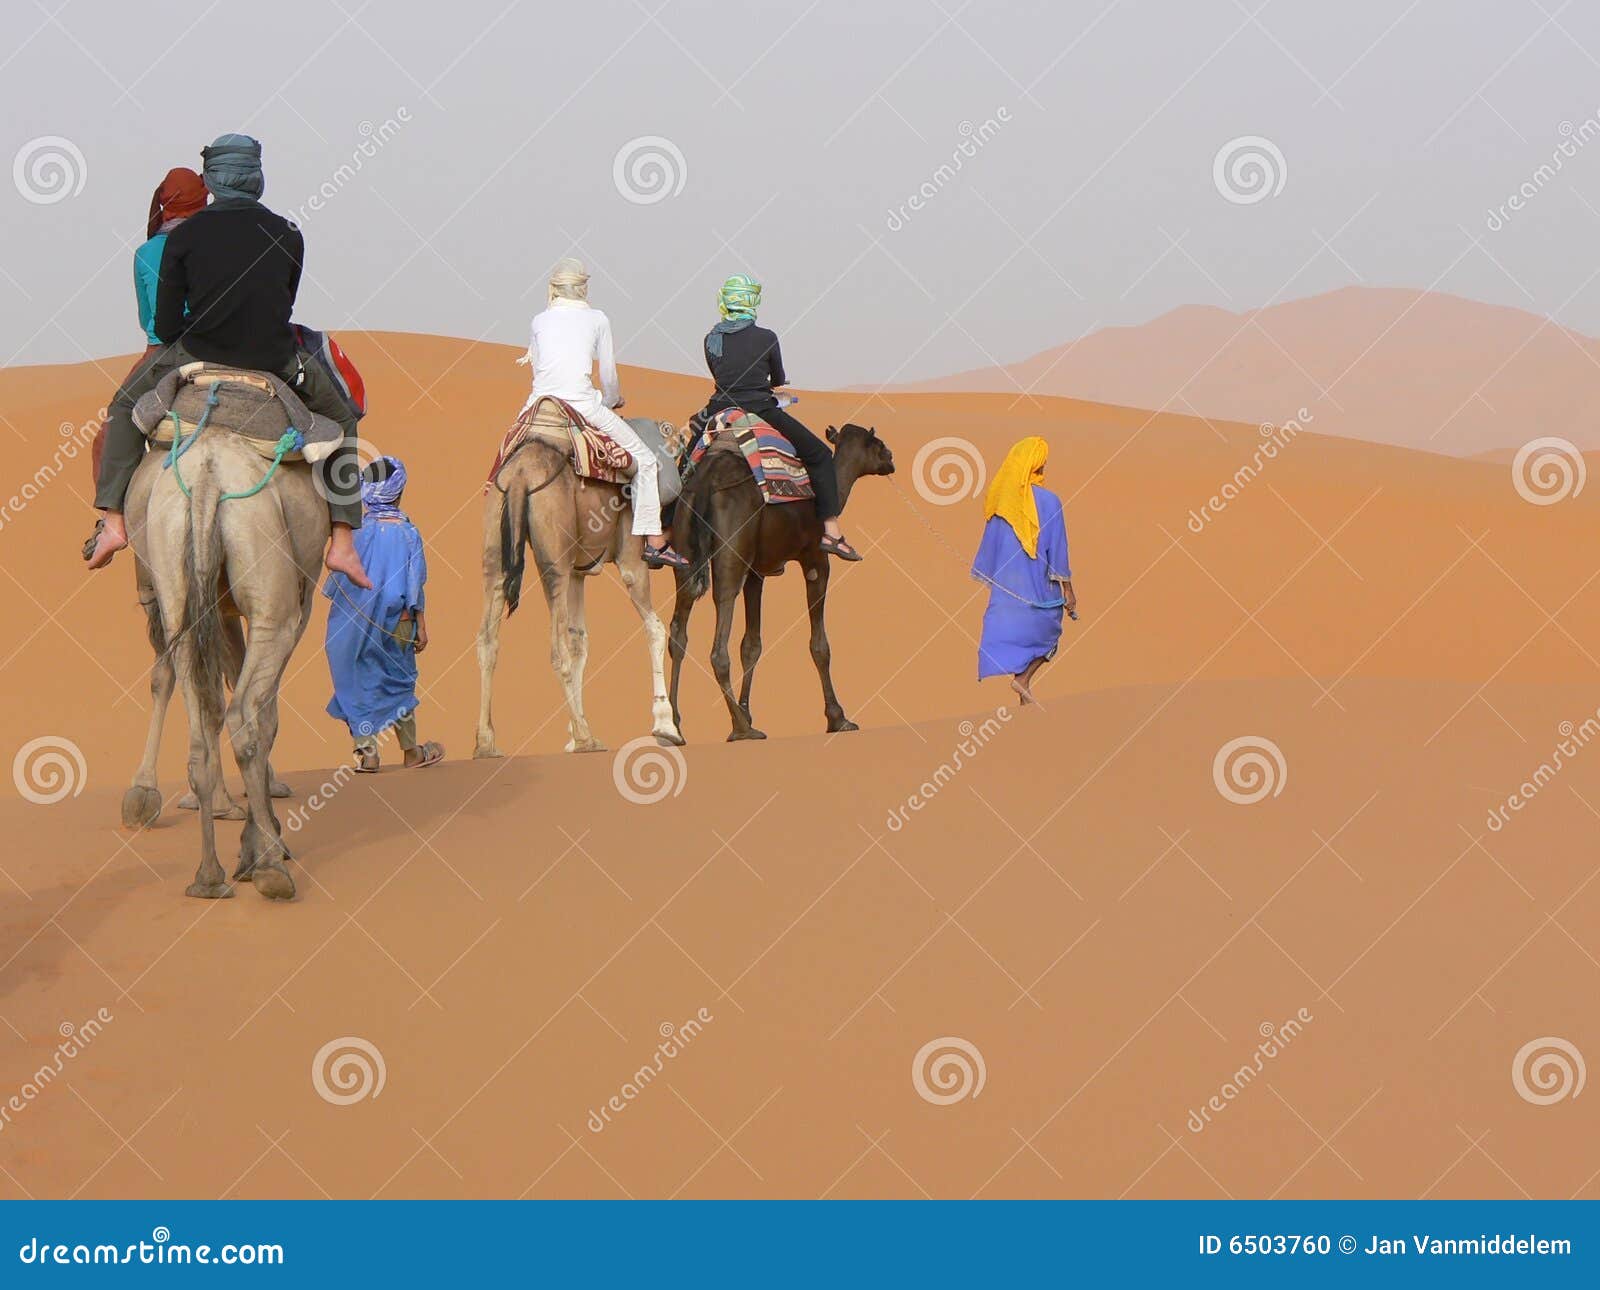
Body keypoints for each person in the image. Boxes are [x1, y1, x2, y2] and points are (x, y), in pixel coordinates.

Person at [84, 133, 370, 588]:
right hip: (275, 357)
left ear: (213, 181)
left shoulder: (186, 236)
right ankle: (342, 542)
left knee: (121, 409)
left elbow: (163, 318)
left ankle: (114, 524)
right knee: (343, 417)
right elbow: (285, 302)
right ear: (257, 178)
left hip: (197, 351)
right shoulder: (288, 233)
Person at [516, 258, 687, 569]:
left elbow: (539, 371)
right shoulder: (597, 319)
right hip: (582, 405)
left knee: (508, 458)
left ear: (554, 288)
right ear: (584, 288)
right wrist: (611, 400)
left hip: (537, 405)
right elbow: (608, 375)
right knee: (647, 463)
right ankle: (653, 542)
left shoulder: (539, 320)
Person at [695, 274, 861, 560]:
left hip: (718, 409)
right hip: (761, 408)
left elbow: (719, 376)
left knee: (685, 463)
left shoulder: (711, 339)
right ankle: (832, 531)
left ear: (724, 301)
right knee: (820, 454)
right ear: (752, 301)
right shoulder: (766, 337)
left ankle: (665, 533)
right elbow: (778, 378)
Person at [86, 167, 206, 520]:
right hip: (225, 345)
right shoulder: (217, 244)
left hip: (163, 353)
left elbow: (148, 323)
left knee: (112, 427)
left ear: (164, 206)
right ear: (205, 200)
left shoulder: (145, 252)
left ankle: (111, 520)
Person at [324, 456, 443, 771]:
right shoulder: (408, 534)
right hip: (398, 624)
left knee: (359, 681)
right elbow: (415, 585)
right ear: (398, 492)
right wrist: (421, 625)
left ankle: (368, 754)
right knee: (399, 683)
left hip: (353, 624)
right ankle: (411, 752)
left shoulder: (352, 533)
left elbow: (335, 585)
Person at [971, 436, 1076, 704]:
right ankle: (1023, 680)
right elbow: (1058, 550)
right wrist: (1068, 590)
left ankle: (1023, 692)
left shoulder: (1001, 504)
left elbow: (991, 548)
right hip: (1039, 587)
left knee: (1017, 635)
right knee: (1051, 634)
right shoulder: (1050, 502)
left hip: (1007, 589)